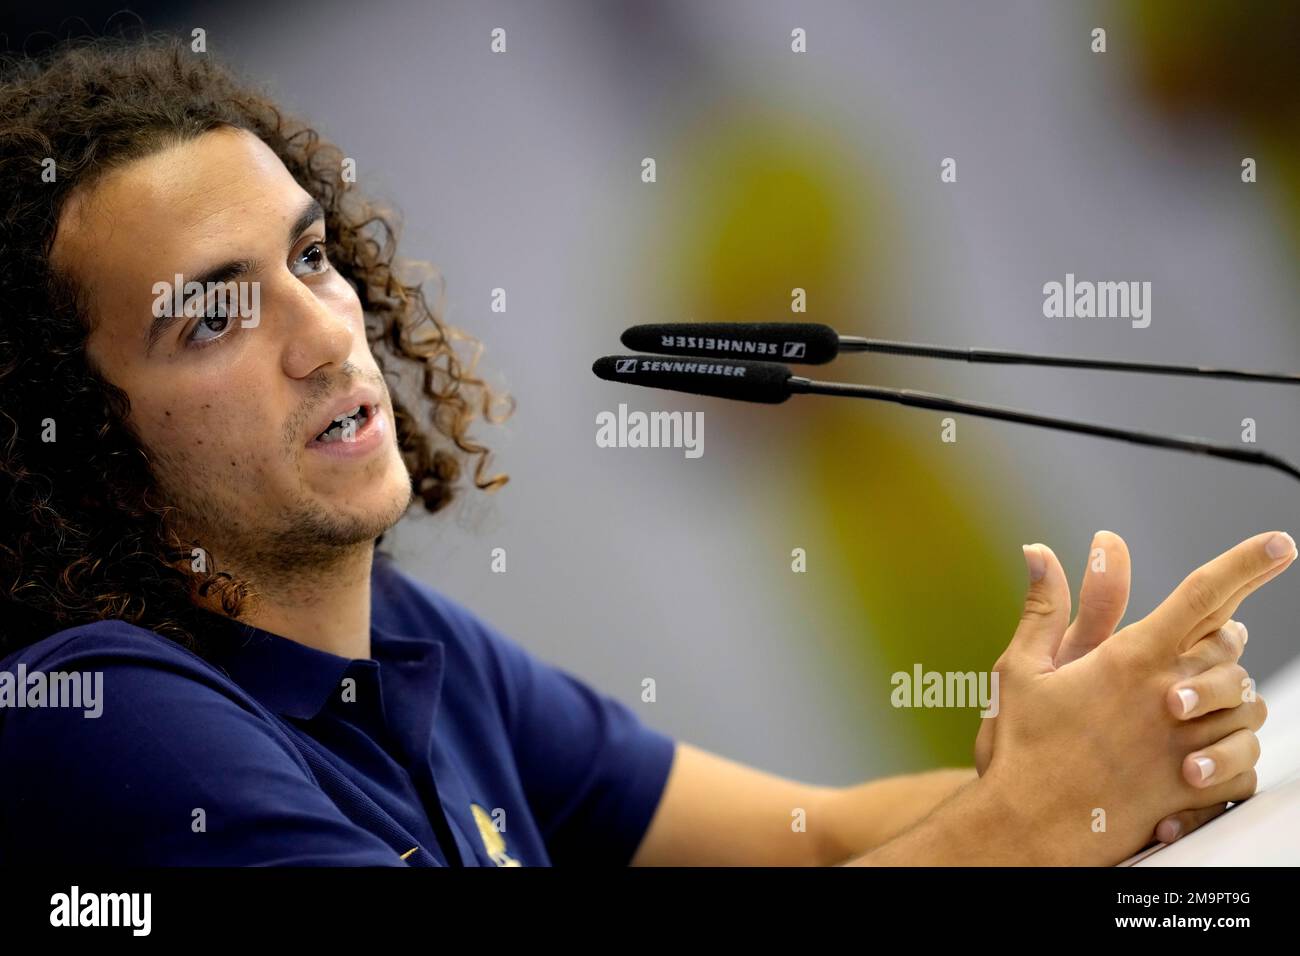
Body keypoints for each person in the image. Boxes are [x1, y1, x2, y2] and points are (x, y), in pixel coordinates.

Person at [0, 34, 1283, 866]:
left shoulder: (408, 643)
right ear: (80, 431)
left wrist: (1107, 755)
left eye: (311, 256)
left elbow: (818, 836)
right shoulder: (98, 721)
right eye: (213, 313)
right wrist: (1029, 818)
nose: (323, 334)